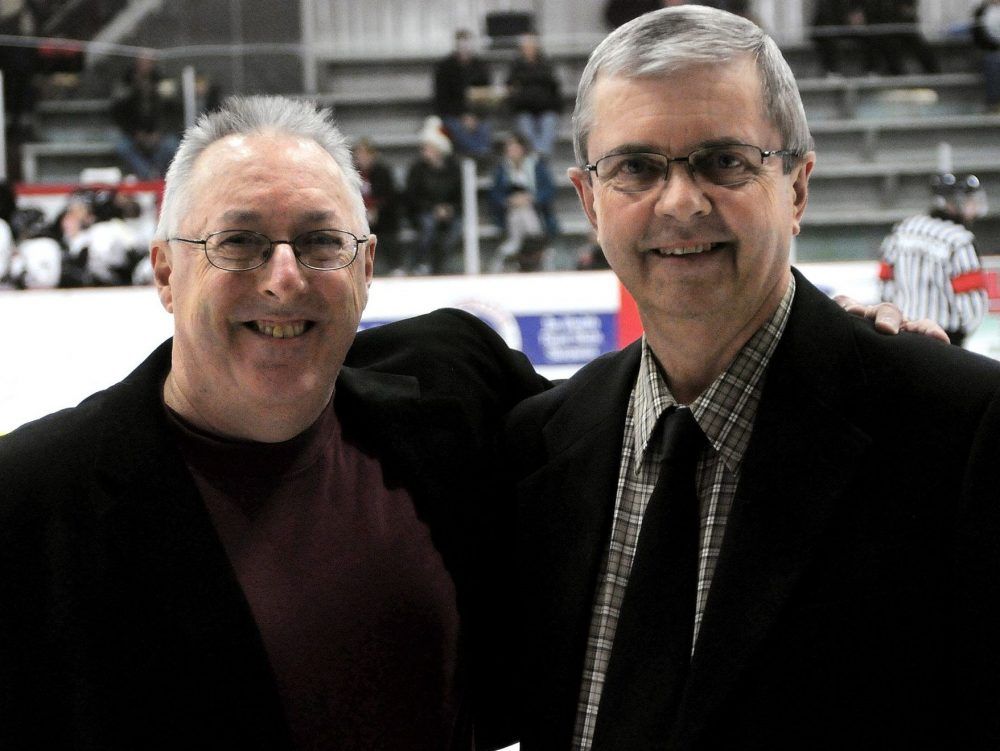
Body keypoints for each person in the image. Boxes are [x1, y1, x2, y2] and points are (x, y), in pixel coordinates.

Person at [504, 7, 1000, 749]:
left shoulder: (959, 432)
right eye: (636, 166)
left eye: (724, 161)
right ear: (587, 201)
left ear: (797, 188)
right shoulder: (538, 443)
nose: (680, 201)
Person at [0, 94, 547, 750]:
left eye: (320, 241)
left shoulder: (458, 393)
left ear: (366, 267)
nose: (285, 277)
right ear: (167, 272)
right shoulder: (30, 500)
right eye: (239, 242)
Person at [879, 172, 989, 347]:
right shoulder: (960, 240)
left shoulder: (905, 228)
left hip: (902, 331)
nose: (974, 208)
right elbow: (972, 305)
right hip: (944, 337)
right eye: (970, 201)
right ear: (956, 203)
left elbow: (885, 281)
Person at [489, 132, 559, 272]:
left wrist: (532, 199)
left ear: (522, 148)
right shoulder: (502, 169)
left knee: (525, 210)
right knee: (520, 211)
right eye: (509, 148)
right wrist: (509, 200)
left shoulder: (536, 166)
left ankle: (519, 243)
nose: (511, 150)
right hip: (510, 212)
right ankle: (534, 243)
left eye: (514, 147)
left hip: (536, 211)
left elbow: (548, 189)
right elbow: (495, 194)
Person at [404, 122, 463, 274]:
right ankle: (419, 262)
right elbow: (412, 197)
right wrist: (432, 209)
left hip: (449, 212)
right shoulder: (417, 169)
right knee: (428, 226)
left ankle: (439, 266)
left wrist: (449, 208)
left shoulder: (453, 169)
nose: (425, 151)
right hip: (423, 211)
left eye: (428, 148)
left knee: (454, 231)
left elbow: (459, 195)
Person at [111, 53, 181, 180]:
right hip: (134, 133)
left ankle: (158, 173)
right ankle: (147, 175)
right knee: (122, 147)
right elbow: (119, 113)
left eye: (148, 62)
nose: (145, 66)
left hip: (159, 134)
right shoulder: (126, 82)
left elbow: (172, 112)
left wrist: (160, 133)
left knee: (171, 145)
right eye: (142, 62)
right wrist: (135, 133)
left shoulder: (162, 82)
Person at [433, 29, 495, 161]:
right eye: (462, 43)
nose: (465, 47)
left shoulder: (481, 67)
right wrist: (463, 116)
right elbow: (441, 100)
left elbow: (486, 95)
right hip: (453, 114)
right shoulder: (445, 67)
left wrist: (475, 116)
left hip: (478, 113)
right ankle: (482, 154)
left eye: (468, 43)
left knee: (485, 127)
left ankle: (480, 154)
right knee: (456, 128)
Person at [506, 32, 563, 158]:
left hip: (546, 108)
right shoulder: (515, 67)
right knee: (525, 124)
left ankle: (540, 156)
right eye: (526, 47)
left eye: (531, 47)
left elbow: (554, 87)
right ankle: (535, 156)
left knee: (549, 122)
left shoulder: (546, 64)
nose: (529, 50)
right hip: (524, 109)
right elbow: (510, 88)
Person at [353, 137, 404, 275]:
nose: (362, 158)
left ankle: (394, 265)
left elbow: (389, 196)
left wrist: (376, 210)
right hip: (359, 212)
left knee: (389, 228)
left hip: (382, 214)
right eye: (360, 154)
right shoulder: (352, 172)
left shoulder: (383, 172)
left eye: (365, 154)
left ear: (372, 155)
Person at [973, 0, 1000, 113]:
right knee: (993, 62)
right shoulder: (980, 12)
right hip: (990, 50)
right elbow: (978, 38)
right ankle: (994, 103)